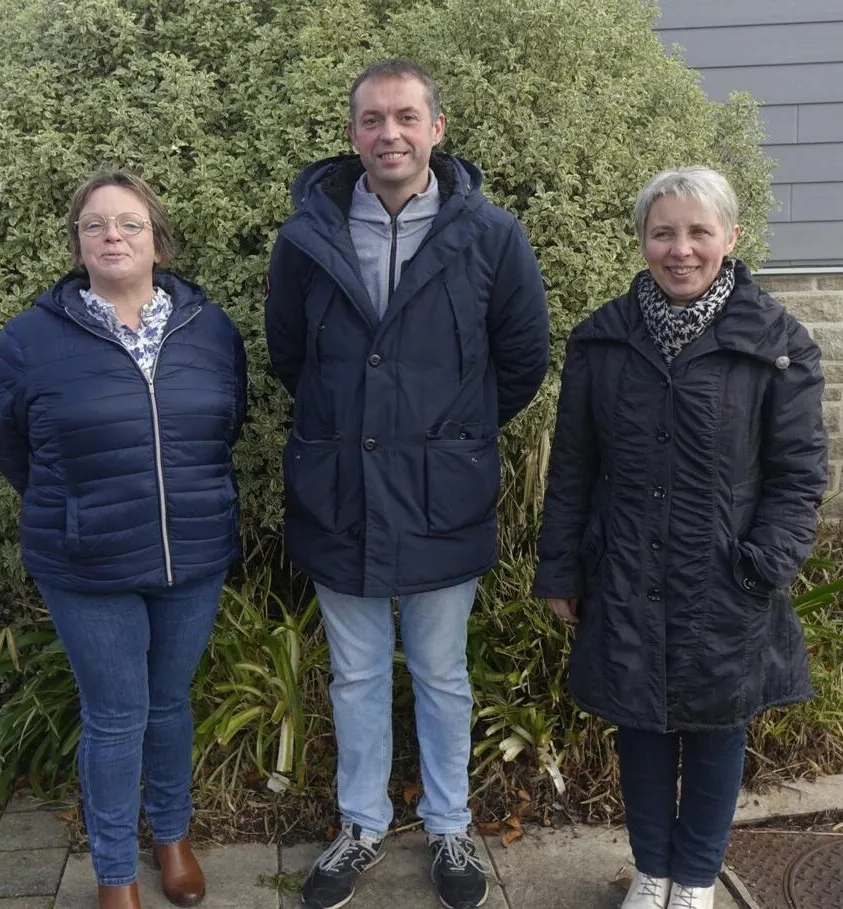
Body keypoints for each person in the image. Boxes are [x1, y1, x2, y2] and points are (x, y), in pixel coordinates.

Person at [265, 59, 550, 909]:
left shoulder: (491, 235)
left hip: (441, 494)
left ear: (437, 127)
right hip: (339, 489)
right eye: (371, 119)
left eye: (405, 117)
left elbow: (522, 359)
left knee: (441, 671)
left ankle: (449, 822)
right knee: (353, 675)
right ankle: (358, 824)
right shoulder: (306, 235)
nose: (388, 133)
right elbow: (292, 355)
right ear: (351, 133)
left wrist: (451, 436)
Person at [533, 166, 827, 909]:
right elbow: (572, 467)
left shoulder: (777, 344)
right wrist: (563, 569)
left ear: (730, 236)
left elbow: (798, 475)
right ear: (642, 240)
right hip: (625, 572)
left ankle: (695, 879)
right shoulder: (601, 341)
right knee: (640, 726)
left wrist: (761, 567)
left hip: (726, 577)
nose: (681, 249)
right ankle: (651, 870)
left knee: (717, 730)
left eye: (699, 231)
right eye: (663, 232)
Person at [0, 171, 246, 909]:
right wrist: (68, 504)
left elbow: (229, 421)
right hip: (86, 559)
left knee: (169, 703)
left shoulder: (210, 328)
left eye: (129, 224)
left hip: (190, 551)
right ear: (77, 243)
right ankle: (115, 873)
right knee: (116, 714)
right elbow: (5, 439)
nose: (112, 238)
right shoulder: (32, 339)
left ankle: (171, 837)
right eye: (95, 226)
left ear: (158, 237)